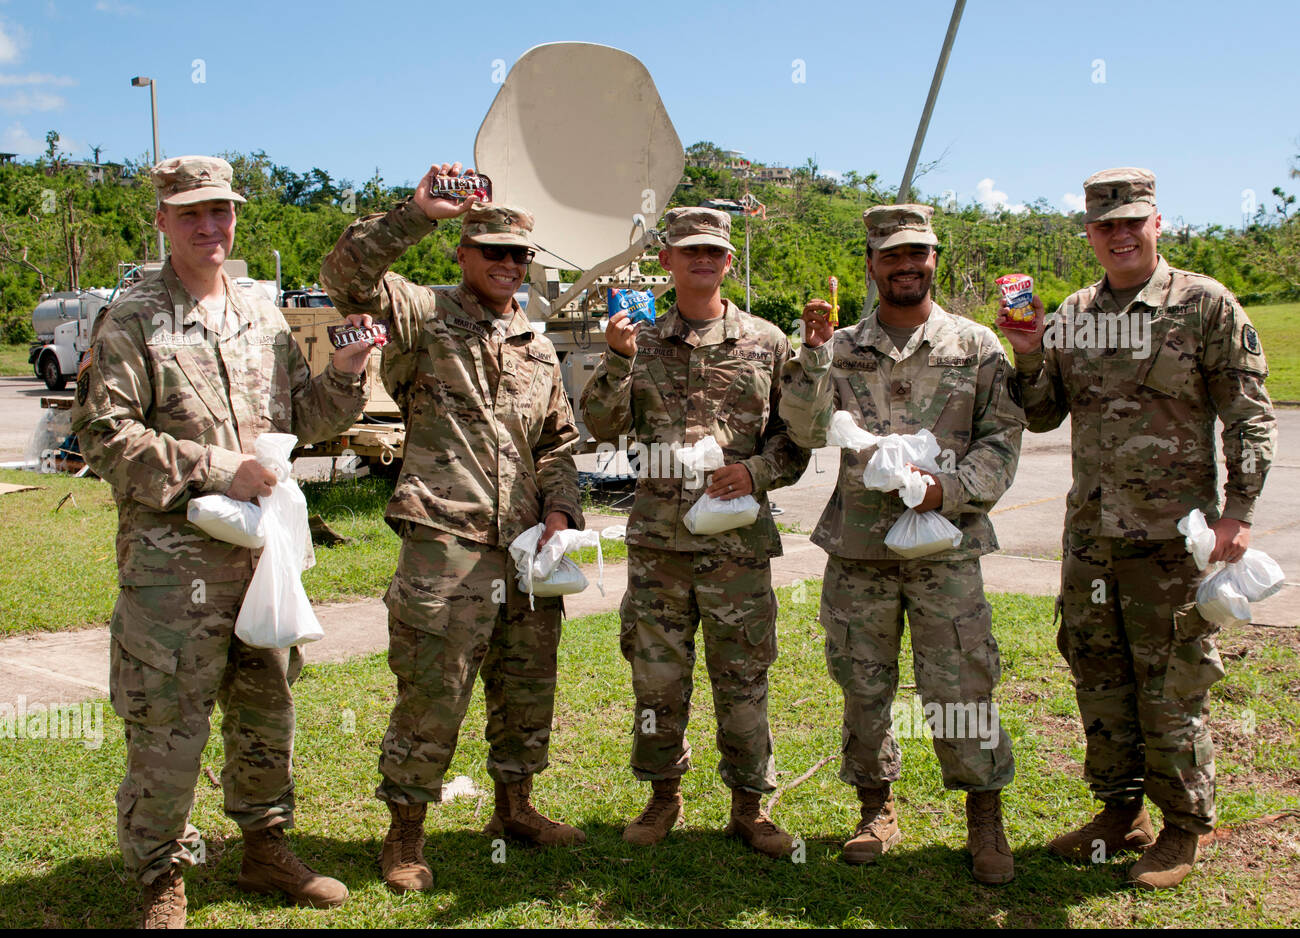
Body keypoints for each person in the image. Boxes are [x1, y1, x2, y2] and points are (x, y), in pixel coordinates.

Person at [72, 155, 370, 928]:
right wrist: (213, 469)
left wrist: (343, 374)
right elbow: (102, 436)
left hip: (261, 560)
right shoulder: (133, 316)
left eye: (222, 212)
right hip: (173, 572)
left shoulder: (261, 313)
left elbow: (302, 420)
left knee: (267, 709)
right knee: (168, 726)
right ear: (164, 220)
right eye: (193, 213)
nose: (211, 226)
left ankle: (266, 849)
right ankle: (161, 879)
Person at [999, 168, 1277, 889]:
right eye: (1105, 225)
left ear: (1158, 224)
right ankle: (1121, 812)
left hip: (1170, 540)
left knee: (1169, 682)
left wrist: (1239, 511)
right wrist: (1028, 350)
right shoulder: (1075, 311)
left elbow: (1249, 415)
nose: (1120, 234)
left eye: (1133, 222)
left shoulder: (1204, 305)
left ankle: (1184, 826)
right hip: (1090, 537)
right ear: (1090, 234)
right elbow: (1042, 413)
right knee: (1097, 673)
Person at [320, 161, 586, 894]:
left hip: (528, 553)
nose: (505, 264)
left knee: (527, 685)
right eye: (491, 250)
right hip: (446, 542)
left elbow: (559, 443)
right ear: (463, 253)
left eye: (517, 255)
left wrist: (561, 509)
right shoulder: (425, 317)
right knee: (434, 691)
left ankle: (515, 809)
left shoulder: (536, 346)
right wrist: (417, 214)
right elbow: (347, 276)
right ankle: (404, 833)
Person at [781, 204, 1024, 884]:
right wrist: (808, 354)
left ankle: (984, 816)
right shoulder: (840, 346)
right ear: (871, 264)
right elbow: (799, 429)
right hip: (861, 548)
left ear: (934, 260)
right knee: (863, 684)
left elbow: (1002, 438)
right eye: (891, 254)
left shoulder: (974, 346)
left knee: (960, 683)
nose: (906, 264)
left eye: (918, 252)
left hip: (948, 546)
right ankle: (876, 807)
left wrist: (948, 490)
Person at [580, 207, 810, 857]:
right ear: (666, 261)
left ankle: (749, 805)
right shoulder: (640, 340)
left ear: (728, 261)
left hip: (737, 548)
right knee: (657, 681)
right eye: (689, 250)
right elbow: (602, 429)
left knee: (743, 677)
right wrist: (618, 358)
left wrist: (755, 471)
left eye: (713, 251)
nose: (702, 260)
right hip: (659, 548)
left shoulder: (766, 342)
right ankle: (662, 797)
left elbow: (795, 441)